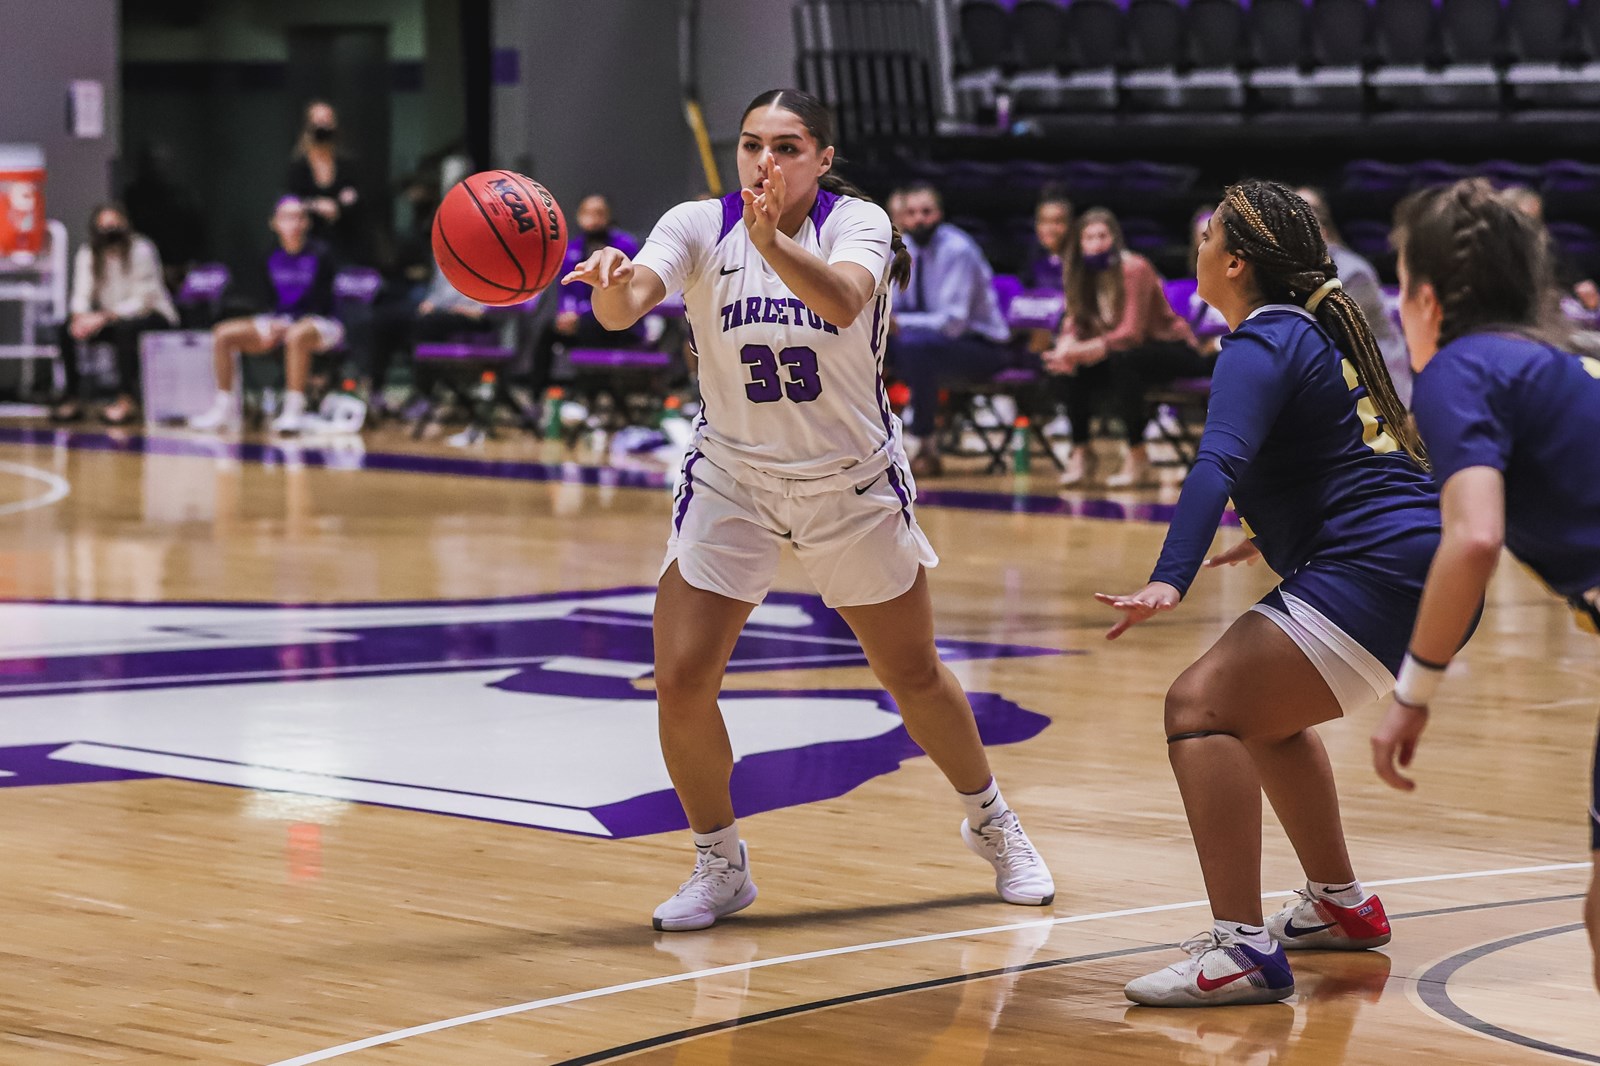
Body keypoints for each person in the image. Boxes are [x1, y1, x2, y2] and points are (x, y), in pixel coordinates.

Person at [560, 88, 1053, 932]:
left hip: (848, 482)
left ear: (823, 159)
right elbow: (624, 305)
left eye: (787, 147)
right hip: (734, 480)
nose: (765, 162)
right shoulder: (697, 223)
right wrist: (609, 282)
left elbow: (843, 300)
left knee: (912, 674)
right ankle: (720, 863)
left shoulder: (860, 223)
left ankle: (991, 819)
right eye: (752, 144)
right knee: (680, 680)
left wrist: (772, 244)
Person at [1097, 181, 1444, 1007]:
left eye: (1207, 234)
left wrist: (1169, 578)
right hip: (1407, 561)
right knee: (1266, 720)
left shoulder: (1262, 338)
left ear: (1235, 263)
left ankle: (1243, 951)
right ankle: (1340, 908)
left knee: (1198, 708)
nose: (1198, 245)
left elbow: (1214, 464)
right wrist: (1277, 530)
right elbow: (1345, 452)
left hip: (1375, 564)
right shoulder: (1306, 330)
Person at [1370, 178, 1600, 993]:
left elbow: (1473, 538)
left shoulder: (1458, 371)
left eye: (1399, 284)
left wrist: (1414, 692)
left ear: (1427, 301)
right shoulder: (1557, 363)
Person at [1045, 208, 1205, 488]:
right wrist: (1065, 348)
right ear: (1079, 244)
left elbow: (1131, 333)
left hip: (1169, 347)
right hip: (1124, 354)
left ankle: (1137, 455)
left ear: (1115, 239)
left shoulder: (1134, 268)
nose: (1097, 244)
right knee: (1067, 370)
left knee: (1124, 361)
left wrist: (1083, 350)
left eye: (1102, 236)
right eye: (1089, 238)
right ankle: (1081, 450)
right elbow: (1074, 319)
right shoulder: (1078, 272)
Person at [886, 182, 1014, 478]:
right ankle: (869, 443)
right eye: (912, 213)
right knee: (869, 344)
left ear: (940, 213)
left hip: (981, 346)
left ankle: (924, 444)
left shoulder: (958, 249)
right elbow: (894, 306)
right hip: (923, 342)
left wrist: (899, 324)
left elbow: (953, 323)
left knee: (917, 350)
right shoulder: (903, 250)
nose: (919, 219)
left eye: (926, 212)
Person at [189, 197, 343, 434]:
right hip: (280, 320)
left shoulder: (322, 254)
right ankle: (224, 407)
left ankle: (294, 410)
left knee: (296, 334)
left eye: (299, 217)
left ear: (307, 223)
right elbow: (264, 300)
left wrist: (289, 323)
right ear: (274, 223)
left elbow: (325, 303)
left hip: (321, 323)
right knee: (223, 334)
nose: (293, 223)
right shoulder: (269, 255)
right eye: (287, 217)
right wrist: (272, 321)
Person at [54, 203, 178, 424]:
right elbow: (81, 294)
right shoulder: (88, 253)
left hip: (153, 316)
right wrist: (80, 319)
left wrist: (103, 317)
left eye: (115, 226)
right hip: (109, 319)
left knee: (125, 329)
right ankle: (72, 397)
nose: (110, 233)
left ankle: (126, 399)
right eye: (105, 227)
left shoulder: (142, 249)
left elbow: (144, 299)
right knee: (66, 329)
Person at [1296, 187, 1412, 407]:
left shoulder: (1353, 274)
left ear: (1322, 232)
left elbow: (1327, 341)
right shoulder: (1292, 273)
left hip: (1380, 387)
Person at [532, 194, 645, 398]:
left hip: (620, 322)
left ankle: (591, 393)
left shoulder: (625, 246)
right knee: (547, 331)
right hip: (580, 322)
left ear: (608, 216)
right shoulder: (571, 249)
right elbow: (566, 289)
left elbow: (628, 289)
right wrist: (566, 314)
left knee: (591, 325)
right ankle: (538, 398)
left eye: (599, 213)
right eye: (588, 213)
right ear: (579, 216)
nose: (593, 218)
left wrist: (582, 315)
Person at [286, 100, 367, 264]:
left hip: (344, 240)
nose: (322, 127)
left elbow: (361, 198)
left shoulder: (347, 164)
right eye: (317, 121)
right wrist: (315, 205)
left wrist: (349, 199)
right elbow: (289, 201)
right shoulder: (298, 165)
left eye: (327, 121)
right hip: (308, 243)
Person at [1022, 185, 1072, 291]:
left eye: (1057, 221)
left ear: (1070, 224)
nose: (1050, 228)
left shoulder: (1079, 262)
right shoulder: (1031, 260)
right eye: (1044, 221)